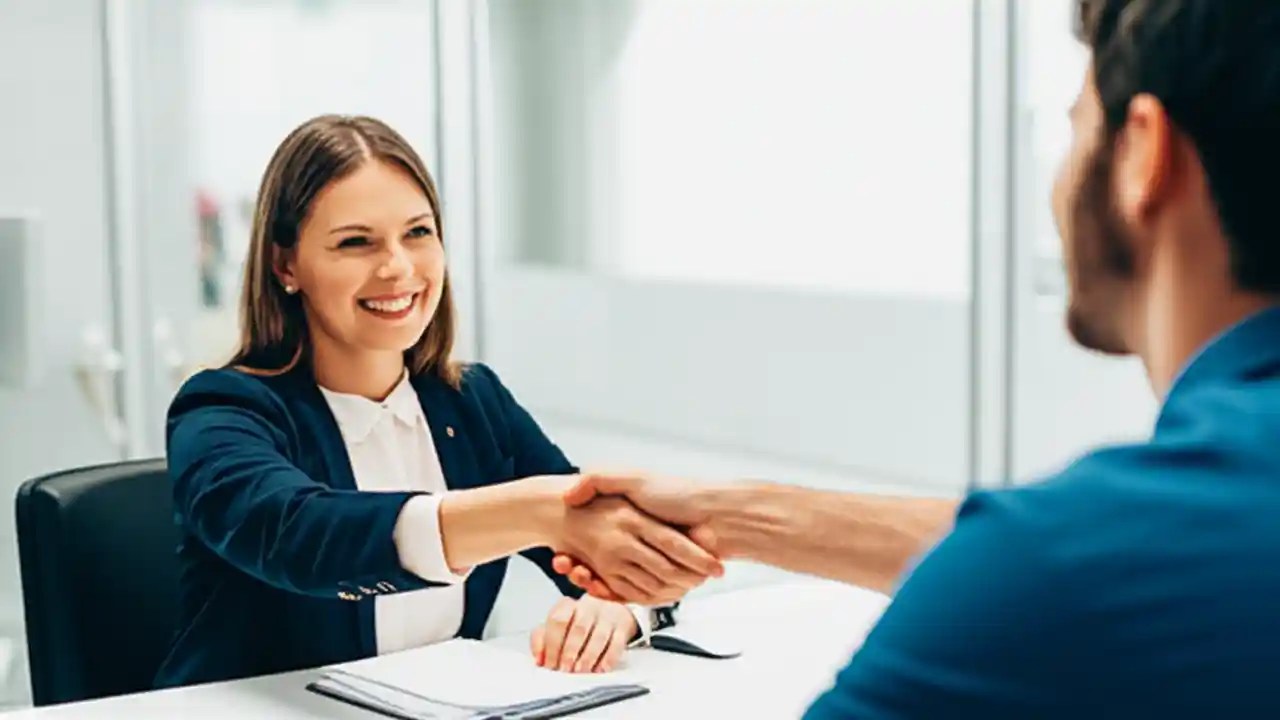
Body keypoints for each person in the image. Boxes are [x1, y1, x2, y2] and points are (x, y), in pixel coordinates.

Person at [555, 0, 1280, 715]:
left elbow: (1058, 567)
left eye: (1078, 129)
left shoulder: (1069, 567)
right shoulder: (1178, 527)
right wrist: (734, 518)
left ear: (1142, 154)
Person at [153, 115, 722, 689]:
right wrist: (532, 511)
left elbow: (608, 551)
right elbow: (301, 538)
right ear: (286, 265)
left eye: (418, 233)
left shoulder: (473, 402)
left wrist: (618, 608)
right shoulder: (221, 411)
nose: (397, 267)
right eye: (356, 242)